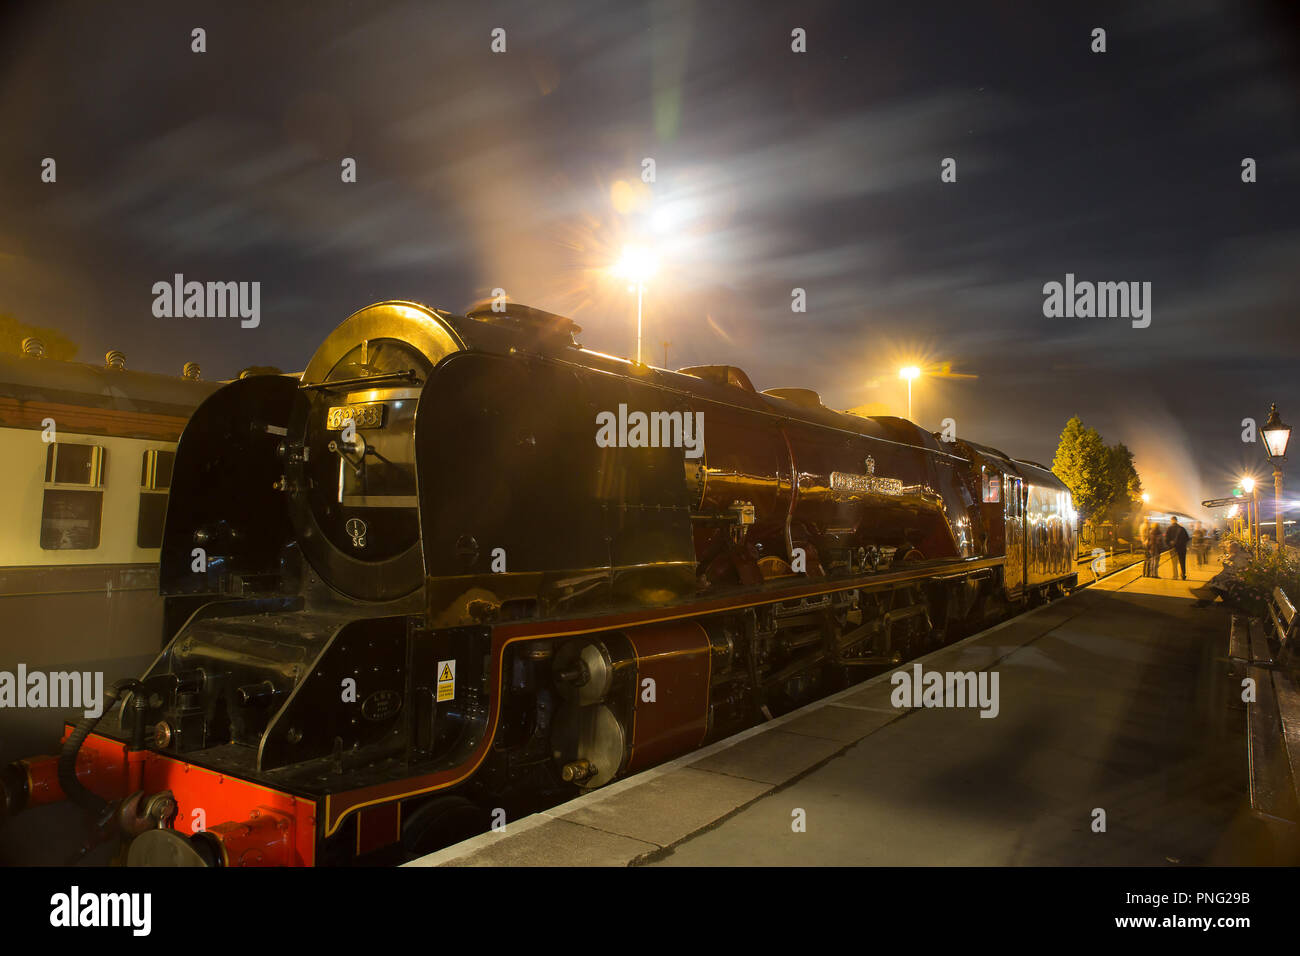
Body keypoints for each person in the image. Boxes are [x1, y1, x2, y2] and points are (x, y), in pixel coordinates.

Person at [1190, 540, 1251, 608]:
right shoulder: (1235, 555)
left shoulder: (1240, 557)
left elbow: (1237, 569)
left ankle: (1203, 601)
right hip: (1229, 576)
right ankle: (1203, 601)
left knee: (1216, 584)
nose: (1227, 549)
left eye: (1228, 548)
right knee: (1215, 582)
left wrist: (1228, 561)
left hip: (1235, 577)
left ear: (1234, 548)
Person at [1165, 516, 1190, 580]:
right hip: (1182, 549)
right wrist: (1182, 543)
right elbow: (1187, 538)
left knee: (1174, 563)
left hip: (1173, 549)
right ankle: (1183, 575)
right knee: (1182, 562)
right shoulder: (1182, 529)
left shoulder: (1169, 529)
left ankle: (1175, 575)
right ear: (1176, 520)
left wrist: (1170, 545)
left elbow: (1166, 539)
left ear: (1172, 520)